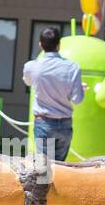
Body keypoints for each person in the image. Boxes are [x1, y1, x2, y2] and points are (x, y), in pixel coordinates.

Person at [22, 27, 84, 161]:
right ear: (59, 45)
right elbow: (77, 99)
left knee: (43, 170)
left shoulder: (31, 66)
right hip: (65, 125)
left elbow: (27, 82)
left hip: (44, 123)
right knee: (60, 169)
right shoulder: (73, 67)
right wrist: (80, 88)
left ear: (40, 44)